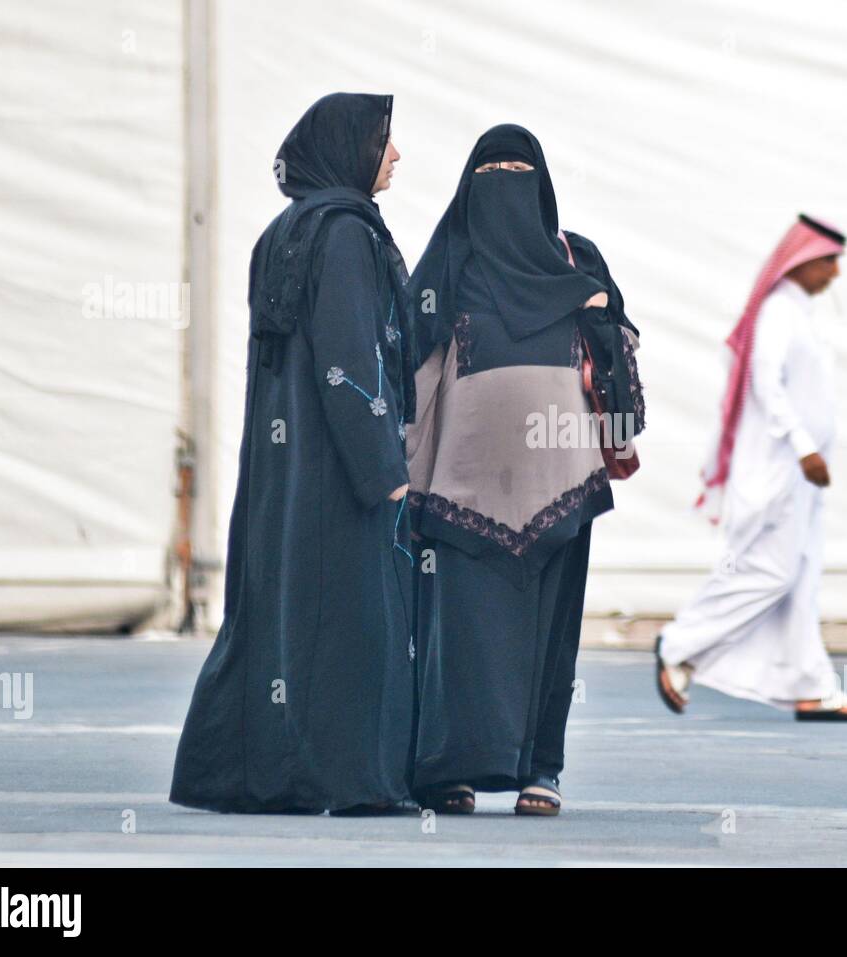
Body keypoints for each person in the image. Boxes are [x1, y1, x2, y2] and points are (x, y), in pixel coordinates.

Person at [170, 93, 420, 815]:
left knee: (281, 614)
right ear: (347, 148)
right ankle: (352, 779)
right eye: (384, 139)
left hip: (286, 467)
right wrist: (385, 469)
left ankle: (258, 771)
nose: (396, 153)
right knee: (353, 621)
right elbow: (348, 361)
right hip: (336, 472)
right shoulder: (344, 234)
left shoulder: (284, 231)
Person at [405, 124, 644, 815]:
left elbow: (620, 349)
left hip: (563, 487)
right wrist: (404, 472)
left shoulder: (577, 258)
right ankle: (448, 771)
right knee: (458, 636)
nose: (505, 182)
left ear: (541, 184)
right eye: (492, 169)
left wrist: (600, 311)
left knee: (550, 635)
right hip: (461, 488)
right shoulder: (449, 261)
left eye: (518, 168)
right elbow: (416, 369)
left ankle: (542, 769)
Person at [654, 213, 847, 722]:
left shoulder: (800, 315)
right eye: (828, 262)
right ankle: (680, 643)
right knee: (773, 572)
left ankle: (811, 687)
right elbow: (765, 386)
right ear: (801, 260)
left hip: (801, 477)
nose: (834, 274)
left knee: (801, 577)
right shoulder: (778, 311)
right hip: (776, 471)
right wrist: (803, 447)